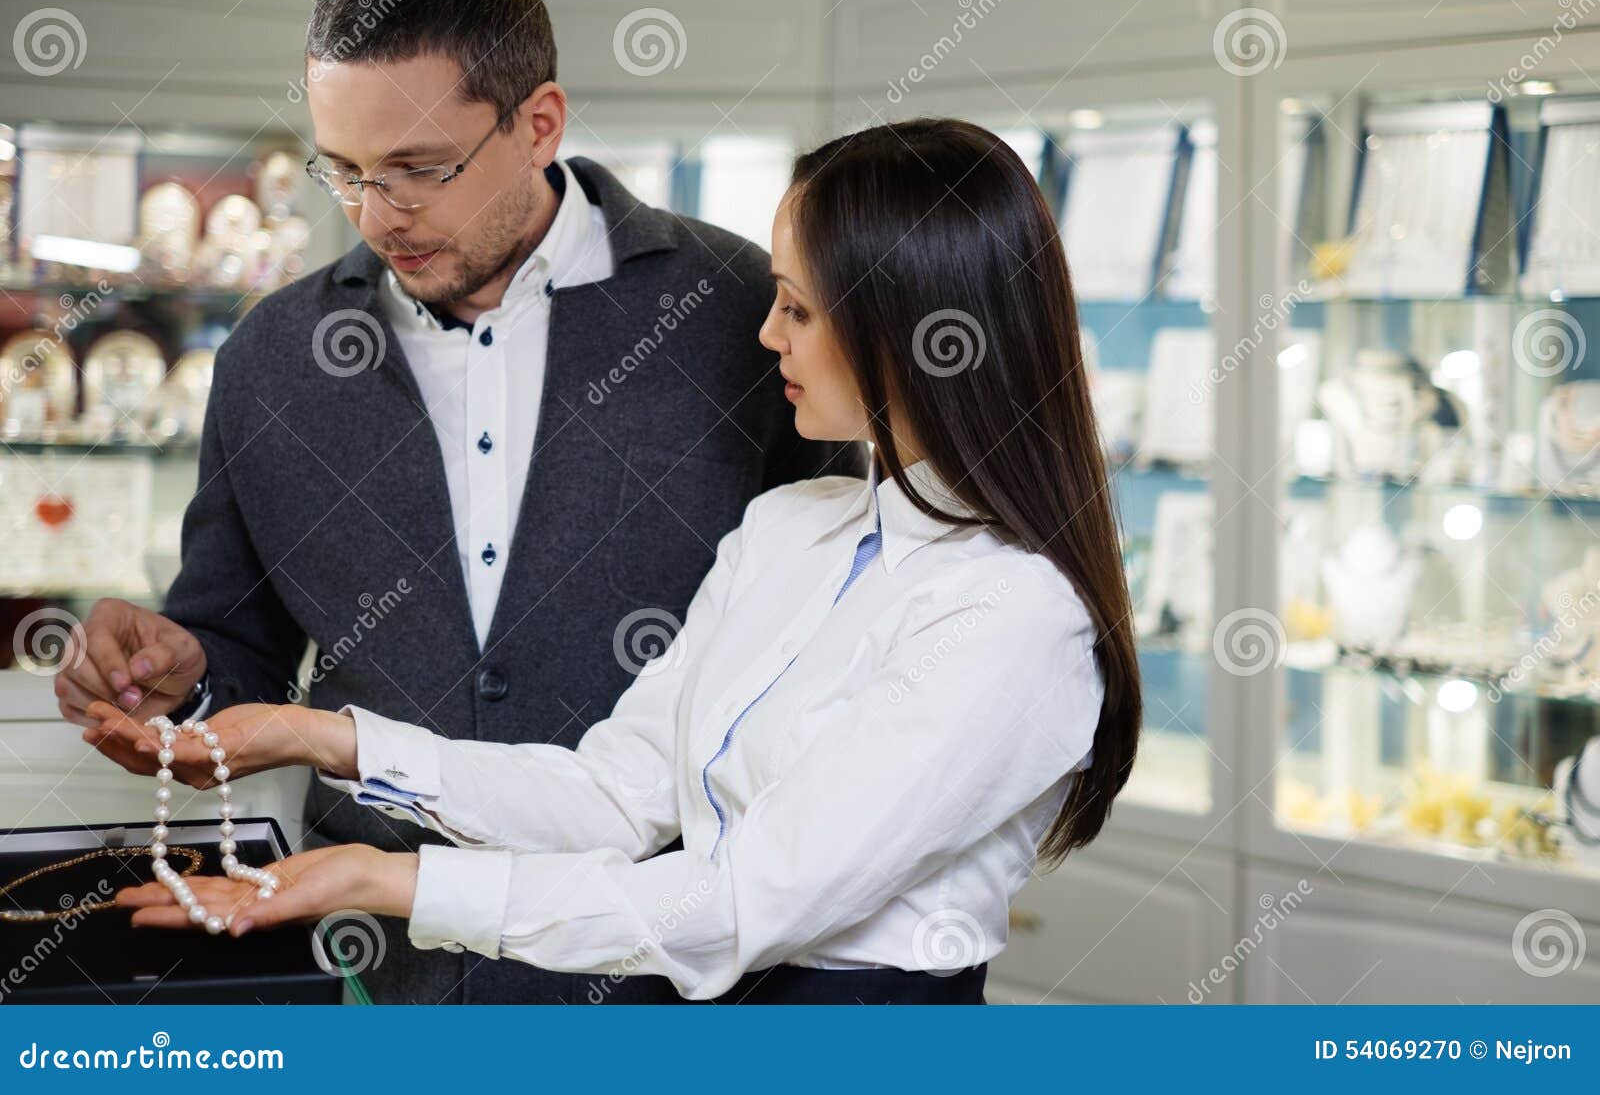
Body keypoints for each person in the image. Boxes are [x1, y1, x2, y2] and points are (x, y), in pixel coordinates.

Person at [97, 118, 1143, 1004]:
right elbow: (614, 793)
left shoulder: (1014, 614)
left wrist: (382, 879)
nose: (766, 333)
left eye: (800, 308)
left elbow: (735, 903)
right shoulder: (790, 527)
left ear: (912, 330)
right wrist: (322, 735)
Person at [64, 0, 855, 1005]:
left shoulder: (738, 312)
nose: (377, 212)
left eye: (419, 168)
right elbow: (239, 650)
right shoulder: (271, 355)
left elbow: (829, 631)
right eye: (343, 169)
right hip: (378, 967)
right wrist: (178, 677)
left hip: (666, 971)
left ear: (539, 123)